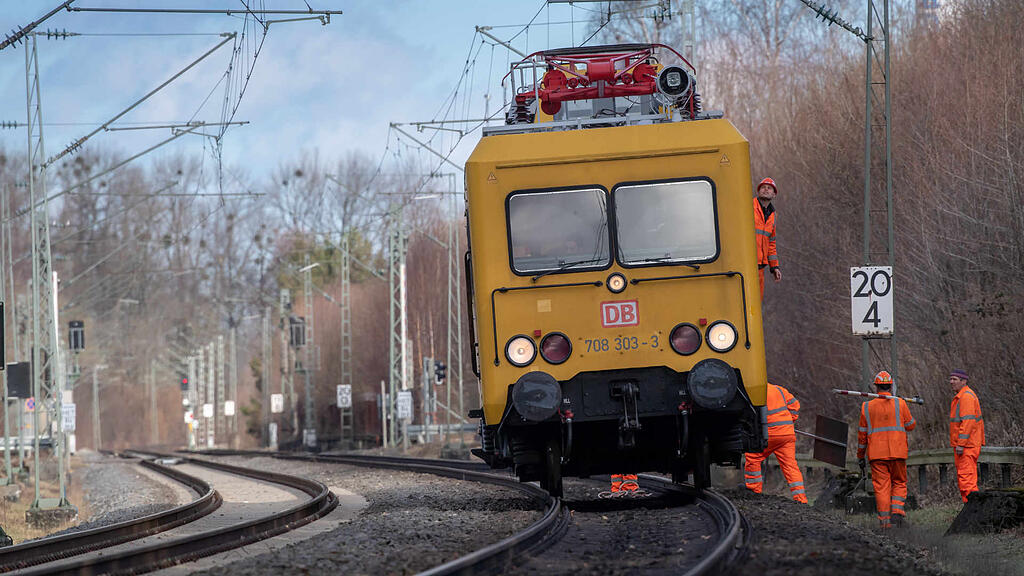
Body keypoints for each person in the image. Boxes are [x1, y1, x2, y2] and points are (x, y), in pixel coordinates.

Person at [857, 371, 916, 528]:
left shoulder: (866, 407)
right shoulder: (900, 403)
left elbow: (862, 436)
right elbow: (911, 425)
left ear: (876, 387)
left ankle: (885, 523)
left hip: (877, 455)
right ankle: (897, 512)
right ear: (891, 387)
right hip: (898, 452)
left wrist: (860, 455)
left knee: (882, 488)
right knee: (899, 482)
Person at [743, 382, 807, 503]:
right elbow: (795, 406)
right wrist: (789, 421)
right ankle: (801, 499)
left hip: (769, 435)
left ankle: (754, 491)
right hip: (787, 434)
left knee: (753, 457)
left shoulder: (752, 392)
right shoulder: (779, 389)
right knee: (790, 466)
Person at [949, 369, 985, 503]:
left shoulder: (966, 397)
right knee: (966, 479)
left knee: (967, 481)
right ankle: (971, 510)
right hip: (966, 445)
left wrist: (960, 444)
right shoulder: (962, 396)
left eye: (955, 379)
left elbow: (968, 422)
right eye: (951, 379)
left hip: (967, 446)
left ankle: (972, 512)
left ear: (964, 381)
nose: (951, 382)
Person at [753, 177, 781, 300]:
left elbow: (771, 243)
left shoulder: (773, 216)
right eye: (763, 187)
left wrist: (774, 267)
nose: (766, 189)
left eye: (769, 188)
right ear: (758, 191)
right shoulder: (749, 207)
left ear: (774, 194)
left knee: (757, 301)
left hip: (760, 267)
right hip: (747, 263)